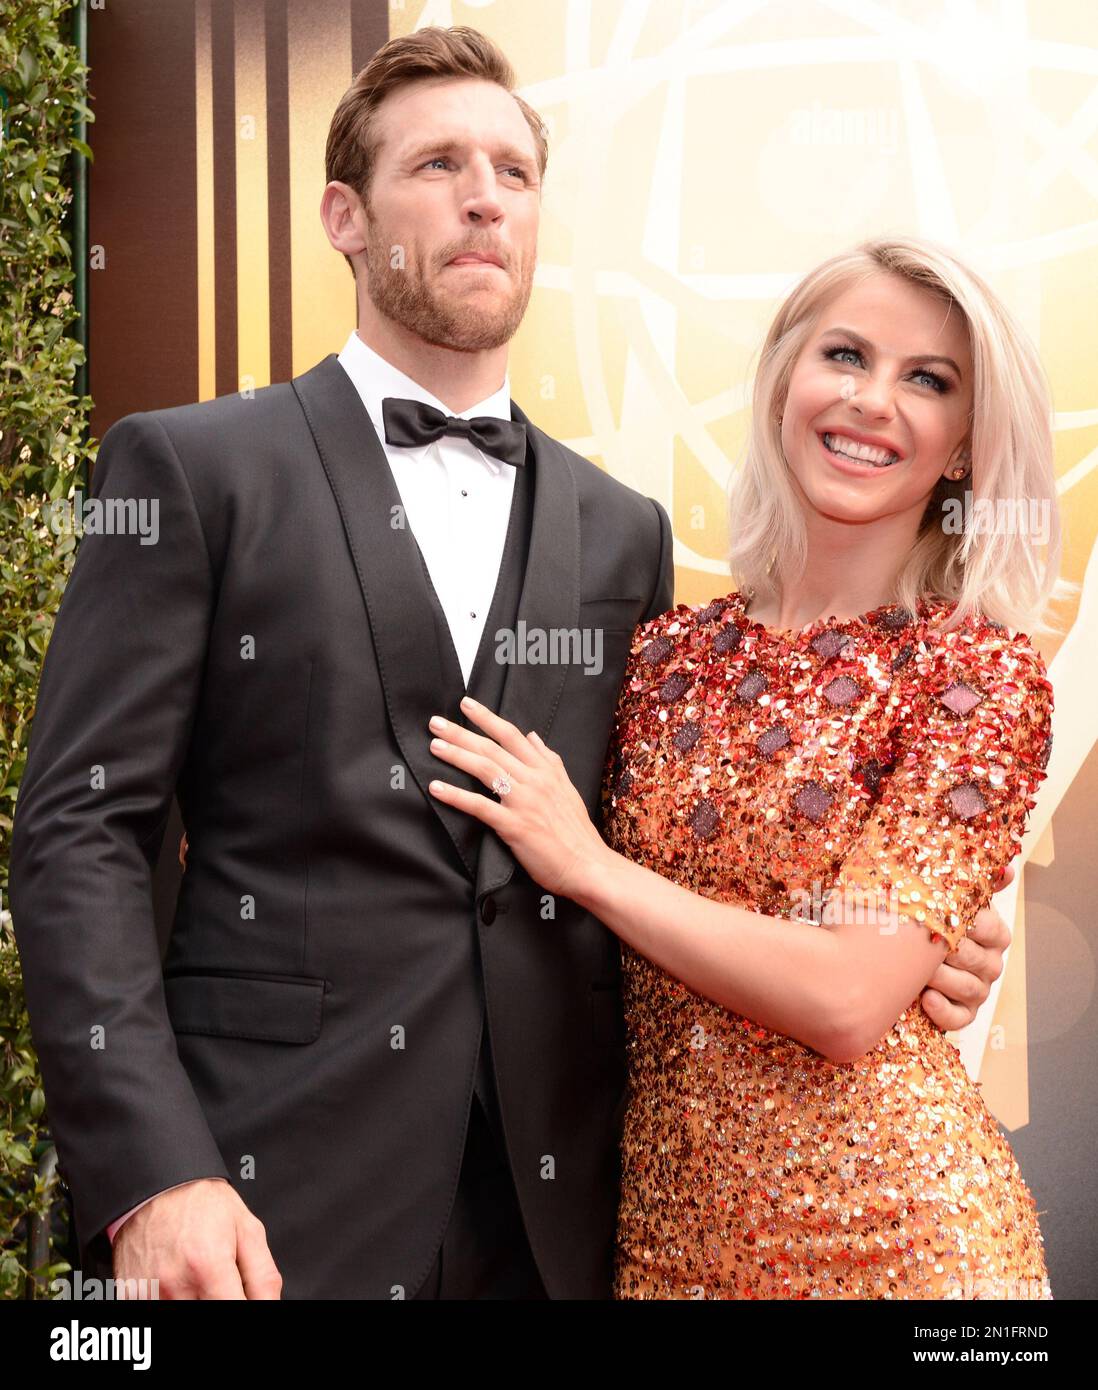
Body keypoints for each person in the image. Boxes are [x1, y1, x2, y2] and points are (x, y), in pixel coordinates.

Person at [9, 26, 1009, 1300]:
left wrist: (911, 927)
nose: (483, 196)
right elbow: (80, 834)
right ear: (344, 217)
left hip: (562, 1220)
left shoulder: (623, 529)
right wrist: (155, 1176)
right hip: (266, 1197)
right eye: (437, 165)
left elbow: (659, 844)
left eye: (514, 172)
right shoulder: (194, 470)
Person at [425, 236, 1057, 1299]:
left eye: (928, 380)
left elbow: (848, 1000)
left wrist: (591, 867)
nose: (872, 401)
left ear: (963, 446)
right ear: (782, 381)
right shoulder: (662, 654)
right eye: (845, 355)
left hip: (905, 1250)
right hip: (667, 1248)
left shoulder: (976, 674)